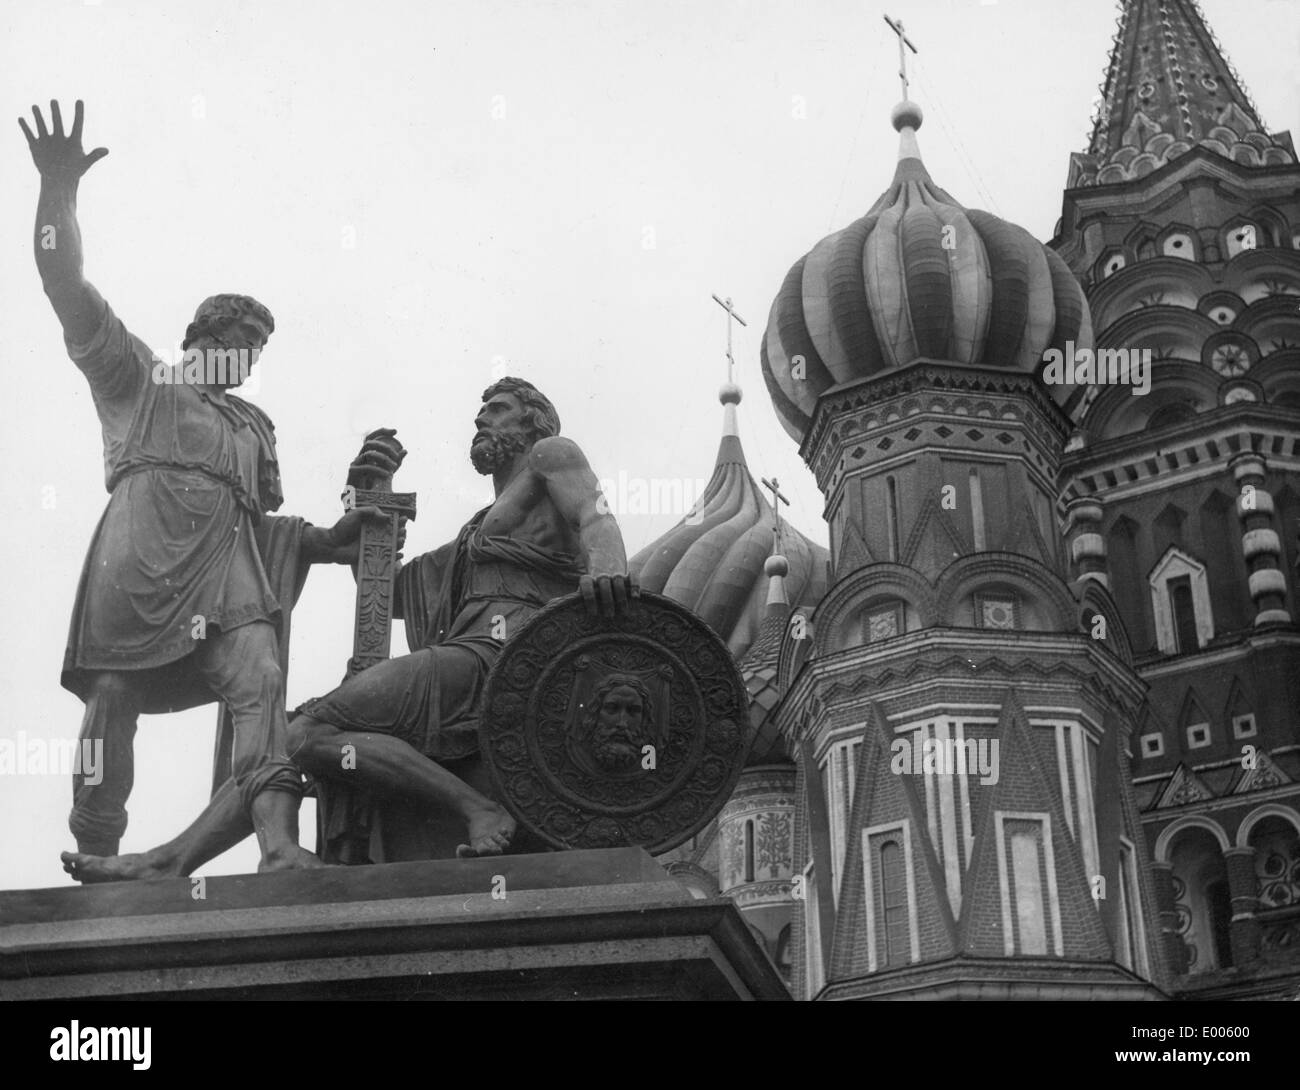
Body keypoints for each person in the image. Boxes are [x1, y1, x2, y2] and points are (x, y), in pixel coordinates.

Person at [61, 378, 637, 880]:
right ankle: (175, 859)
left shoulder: (551, 456)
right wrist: (369, 502)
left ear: (532, 421)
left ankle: (477, 809)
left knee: (302, 734)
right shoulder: (476, 530)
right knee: (290, 735)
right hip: (467, 652)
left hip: (509, 650)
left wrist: (610, 568)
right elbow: (387, 597)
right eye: (483, 410)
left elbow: (595, 513)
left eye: (500, 408)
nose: (484, 418)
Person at [21, 100, 379, 874]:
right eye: (235, 343)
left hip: (227, 581)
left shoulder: (253, 426)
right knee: (110, 702)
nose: (246, 360)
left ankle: (278, 846)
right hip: (139, 563)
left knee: (263, 681)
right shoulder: (137, 380)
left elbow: (267, 530)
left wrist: (328, 541)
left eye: (255, 351)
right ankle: (99, 851)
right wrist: (58, 190)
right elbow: (63, 281)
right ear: (197, 338)